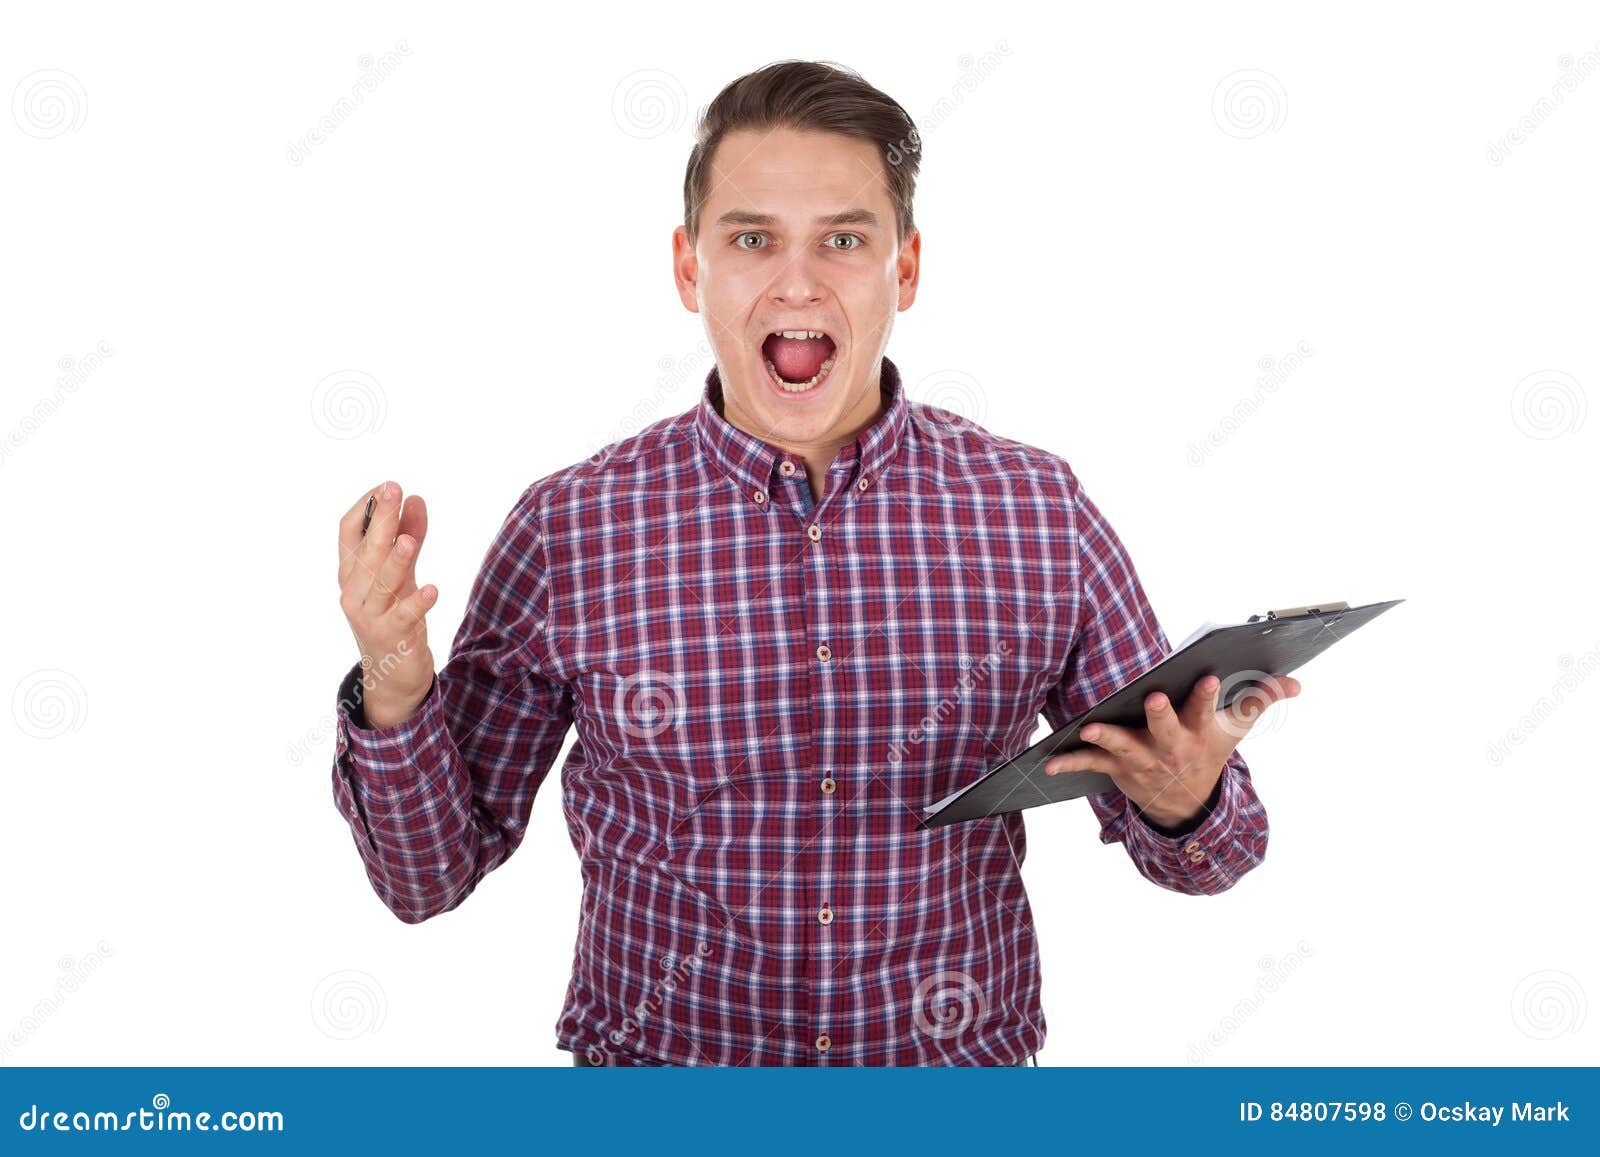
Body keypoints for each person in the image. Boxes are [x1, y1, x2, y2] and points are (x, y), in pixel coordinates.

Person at [330, 59, 1299, 1067]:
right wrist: (396, 683)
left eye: (843, 239)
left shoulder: (1036, 511)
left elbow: (1211, 857)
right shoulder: (571, 529)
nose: (797, 281)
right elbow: (425, 878)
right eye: (752, 239)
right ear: (687, 267)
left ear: (906, 268)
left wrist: (1185, 796)